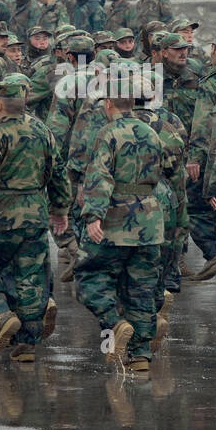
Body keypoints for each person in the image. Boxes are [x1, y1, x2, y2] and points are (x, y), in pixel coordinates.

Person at [0, 74, 70, 360]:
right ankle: (27, 345)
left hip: (1, 214)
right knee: (31, 277)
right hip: (35, 212)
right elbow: (57, 173)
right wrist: (60, 209)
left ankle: (1, 312)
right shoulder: (43, 130)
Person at [75, 71, 166, 371]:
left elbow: (100, 176)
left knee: (90, 278)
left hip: (117, 219)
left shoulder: (108, 133)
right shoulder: (151, 132)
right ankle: (140, 354)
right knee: (141, 288)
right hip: (150, 221)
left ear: (110, 103)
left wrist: (93, 215)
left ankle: (115, 323)